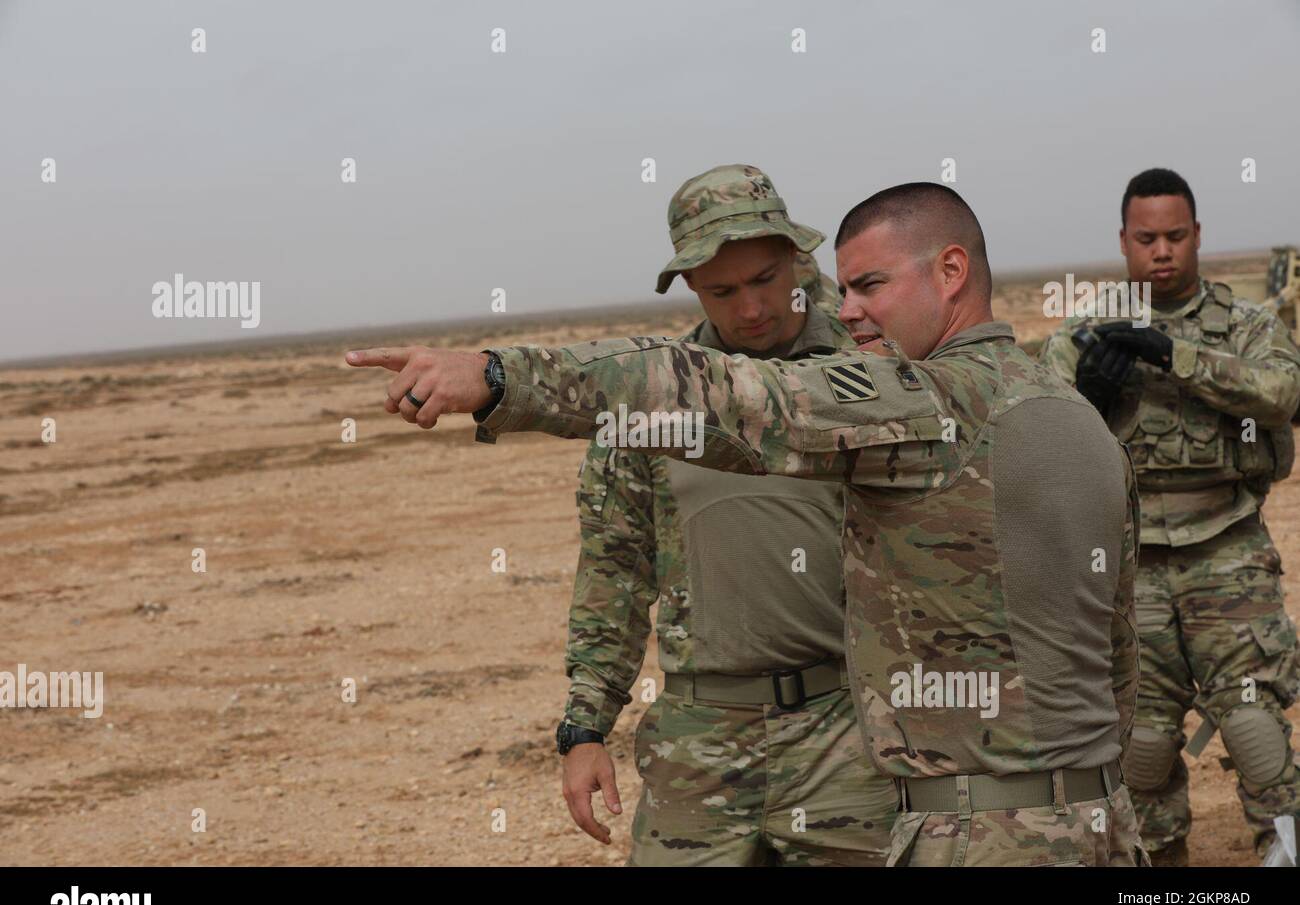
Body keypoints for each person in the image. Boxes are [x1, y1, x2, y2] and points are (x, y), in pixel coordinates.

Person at [346, 182, 1147, 866]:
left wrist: (494, 378)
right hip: (1100, 817)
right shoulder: (1076, 417)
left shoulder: (912, 400)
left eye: (869, 285)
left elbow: (720, 397)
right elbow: (1115, 655)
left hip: (971, 829)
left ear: (951, 271)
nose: (854, 310)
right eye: (846, 289)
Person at [557, 164, 897, 866]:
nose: (750, 309)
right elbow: (615, 569)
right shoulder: (656, 399)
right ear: (690, 288)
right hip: (699, 740)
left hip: (850, 734)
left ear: (800, 260)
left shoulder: (876, 371)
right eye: (723, 291)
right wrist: (585, 729)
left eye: (766, 280)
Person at [1039, 168, 1300, 864]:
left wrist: (1175, 355)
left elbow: (1280, 393)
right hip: (1129, 565)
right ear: (1123, 241)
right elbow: (1036, 438)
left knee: (1254, 728)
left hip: (1228, 551)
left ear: (1198, 237)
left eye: (1176, 236)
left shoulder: (1246, 326)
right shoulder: (1087, 334)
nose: (1163, 251)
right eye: (1147, 238)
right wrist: (1088, 402)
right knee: (1144, 745)